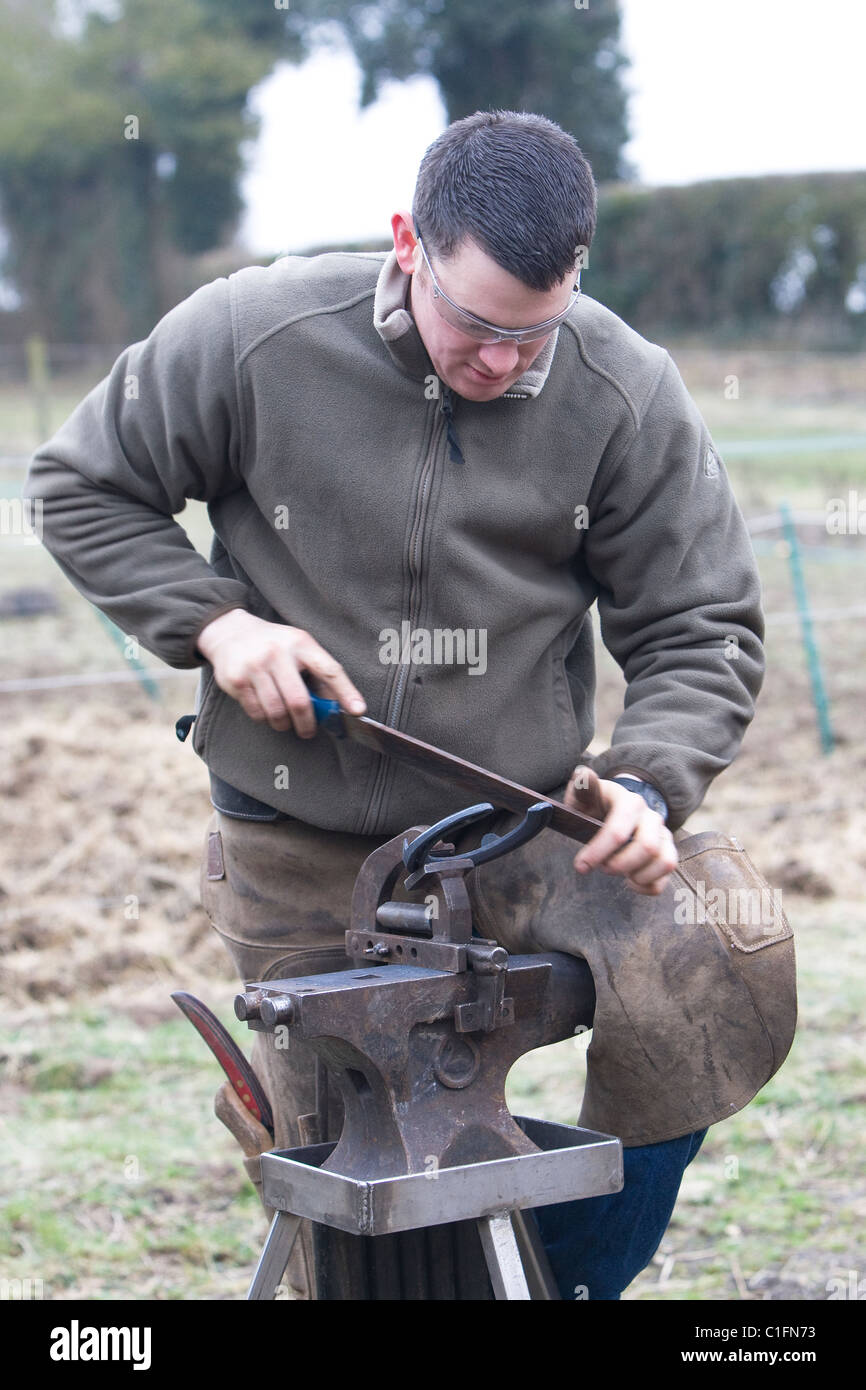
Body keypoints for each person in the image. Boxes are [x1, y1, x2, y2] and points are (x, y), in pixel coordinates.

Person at [24, 110, 795, 1300]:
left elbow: (701, 623)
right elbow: (80, 486)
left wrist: (648, 778)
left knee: (714, 966)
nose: (501, 362)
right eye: (476, 325)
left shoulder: (620, 388)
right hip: (299, 851)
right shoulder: (251, 333)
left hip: (523, 831)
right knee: (365, 1223)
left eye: (532, 335)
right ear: (406, 244)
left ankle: (568, 1282)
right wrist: (217, 623)